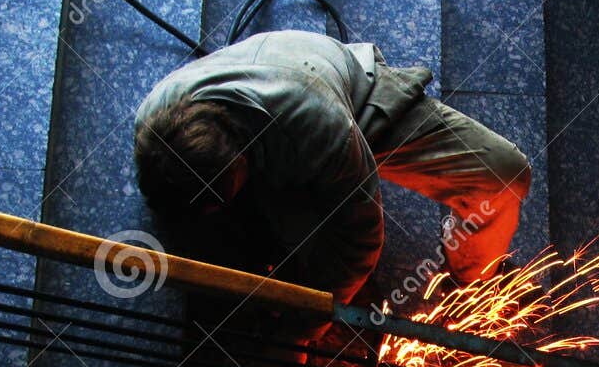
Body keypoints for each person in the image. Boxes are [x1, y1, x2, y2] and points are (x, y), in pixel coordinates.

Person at [132, 30, 532, 304]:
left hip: (344, 97)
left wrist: (316, 316)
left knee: (505, 176)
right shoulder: (156, 121)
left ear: (245, 156)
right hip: (288, 98)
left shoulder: (319, 126)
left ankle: (471, 274)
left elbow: (360, 239)